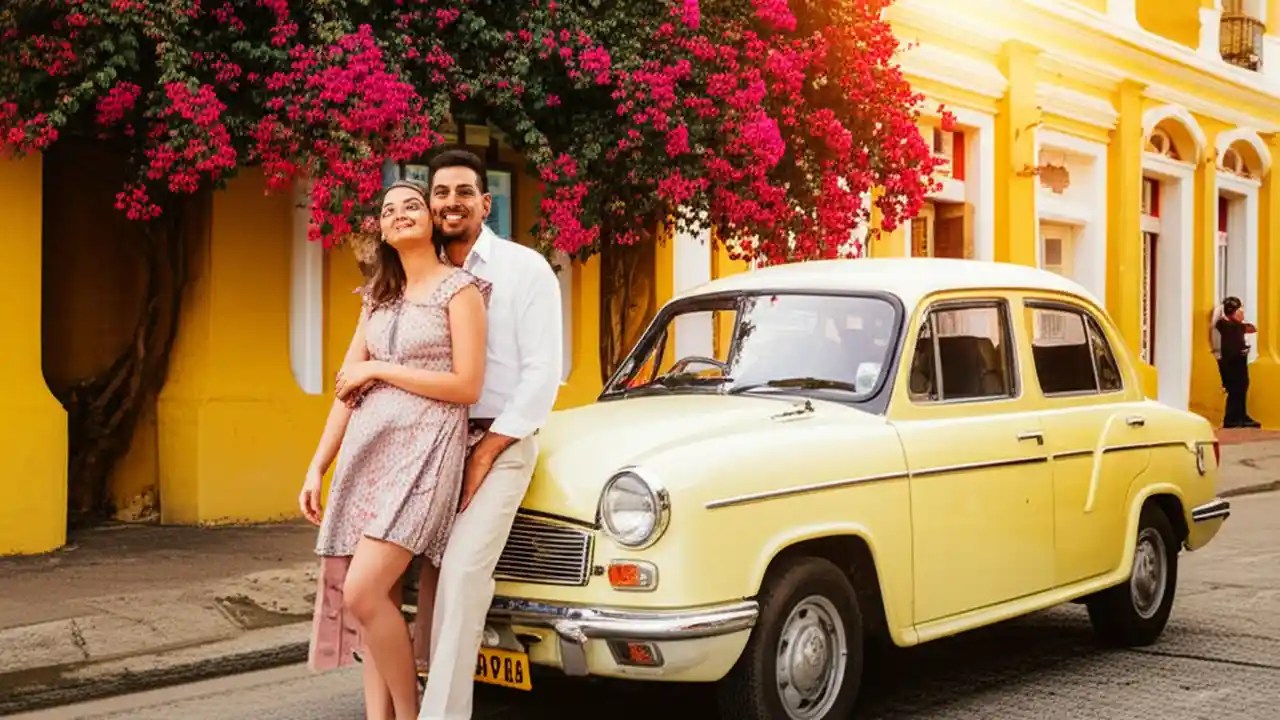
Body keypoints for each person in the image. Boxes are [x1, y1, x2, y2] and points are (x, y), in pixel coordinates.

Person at [299, 179, 491, 720]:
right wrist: (318, 466)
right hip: (369, 458)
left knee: (362, 592)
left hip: (425, 458)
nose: (400, 214)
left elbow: (467, 386)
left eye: (412, 205)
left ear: (430, 220)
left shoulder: (462, 290)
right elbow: (345, 390)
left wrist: (379, 368)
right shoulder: (377, 300)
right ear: (382, 230)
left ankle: (412, 715)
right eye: (389, 210)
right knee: (375, 602)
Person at [414, 148, 563, 719]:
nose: (451, 203)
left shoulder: (524, 269)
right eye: (441, 193)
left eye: (462, 192)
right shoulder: (421, 274)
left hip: (500, 442)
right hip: (430, 445)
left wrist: (489, 450)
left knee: (463, 572)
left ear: (485, 202)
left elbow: (541, 375)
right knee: (386, 577)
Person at [1215, 296, 1260, 428]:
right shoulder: (1225, 326)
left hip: (1239, 361)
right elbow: (1230, 347)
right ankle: (1232, 418)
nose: (1242, 314)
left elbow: (1252, 328)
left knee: (1242, 386)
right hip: (1231, 362)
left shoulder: (1236, 326)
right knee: (1235, 389)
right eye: (1239, 311)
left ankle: (1241, 415)